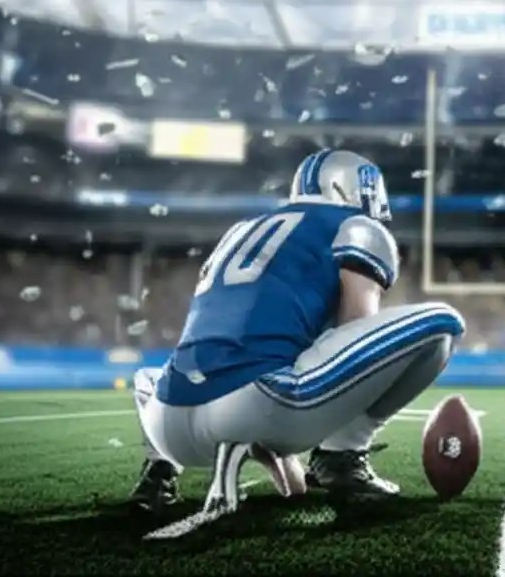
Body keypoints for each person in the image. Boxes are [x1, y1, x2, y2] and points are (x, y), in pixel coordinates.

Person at [128, 149, 464, 515]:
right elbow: (354, 333)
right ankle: (343, 457)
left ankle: (158, 468)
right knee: (443, 324)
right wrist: (299, 436)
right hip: (256, 403)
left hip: (169, 424)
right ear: (356, 187)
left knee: (150, 377)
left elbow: (221, 326)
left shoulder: (242, 230)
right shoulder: (358, 227)